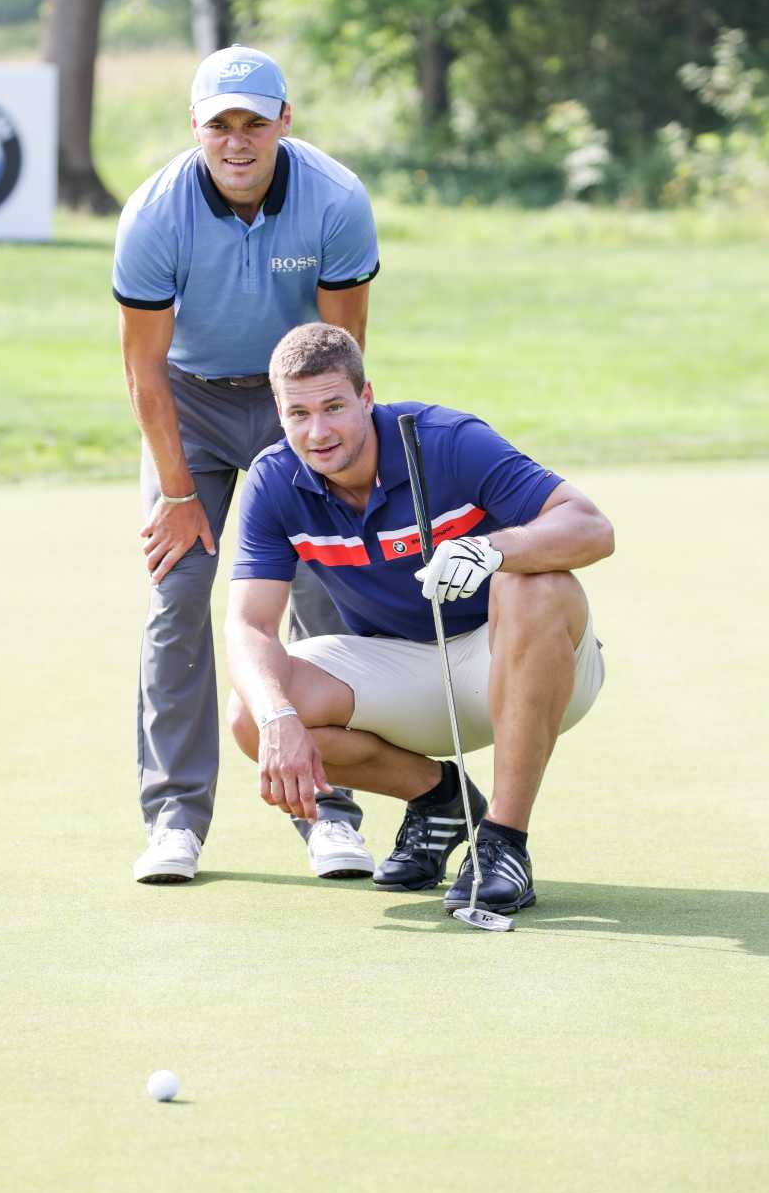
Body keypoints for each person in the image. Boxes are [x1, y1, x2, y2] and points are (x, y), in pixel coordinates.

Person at [224, 323, 614, 915]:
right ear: (280, 414)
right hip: (402, 671)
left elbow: (591, 526)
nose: (318, 432)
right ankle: (439, 799)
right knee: (252, 715)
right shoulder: (274, 479)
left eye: (334, 407)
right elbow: (250, 625)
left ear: (366, 396)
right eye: (299, 414)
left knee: (535, 585)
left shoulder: (448, 440)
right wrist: (277, 718)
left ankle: (504, 841)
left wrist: (492, 550)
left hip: (512, 656)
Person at [113, 46, 381, 885]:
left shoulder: (336, 200)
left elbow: (340, 354)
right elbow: (143, 369)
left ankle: (330, 814)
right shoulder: (154, 215)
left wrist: (325, 447)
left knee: (324, 592)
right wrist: (178, 493)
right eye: (220, 125)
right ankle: (174, 821)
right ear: (196, 128)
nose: (237, 142)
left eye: (254, 123)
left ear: (284, 122)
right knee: (179, 593)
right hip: (188, 406)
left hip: (293, 403)